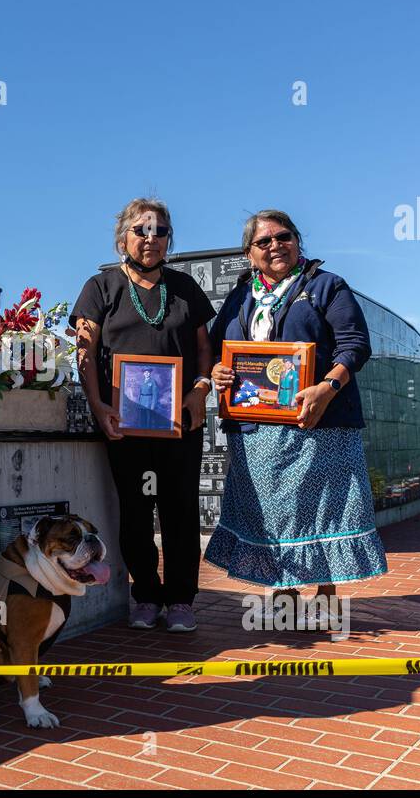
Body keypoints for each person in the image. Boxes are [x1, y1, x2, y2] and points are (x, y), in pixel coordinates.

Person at [206, 210, 387, 620]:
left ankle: (324, 599)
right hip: (256, 430)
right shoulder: (238, 298)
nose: (275, 246)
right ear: (249, 254)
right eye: (263, 242)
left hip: (318, 422)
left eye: (283, 237)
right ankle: (283, 598)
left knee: (323, 509)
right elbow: (219, 349)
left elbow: (354, 344)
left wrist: (328, 387)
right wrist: (217, 370)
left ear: (298, 240)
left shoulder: (325, 285)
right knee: (273, 515)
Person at [71, 199, 215, 631]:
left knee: (181, 512)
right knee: (135, 512)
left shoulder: (185, 288)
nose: (151, 238)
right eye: (141, 230)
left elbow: (205, 348)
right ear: (123, 238)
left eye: (160, 231)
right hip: (125, 426)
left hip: (180, 424)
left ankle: (182, 601)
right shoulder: (100, 287)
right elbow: (85, 351)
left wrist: (200, 390)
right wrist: (98, 406)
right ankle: (146, 595)